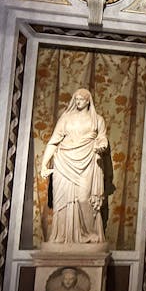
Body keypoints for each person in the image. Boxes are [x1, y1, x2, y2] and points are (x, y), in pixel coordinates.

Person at [40, 88, 108, 244]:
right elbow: (53, 142)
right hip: (64, 161)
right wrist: (44, 164)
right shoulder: (66, 118)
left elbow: (102, 138)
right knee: (61, 202)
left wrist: (102, 145)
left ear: (88, 101)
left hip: (87, 161)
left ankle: (89, 234)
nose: (78, 102)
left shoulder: (97, 119)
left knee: (84, 199)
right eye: (76, 99)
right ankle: (61, 236)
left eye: (81, 99)